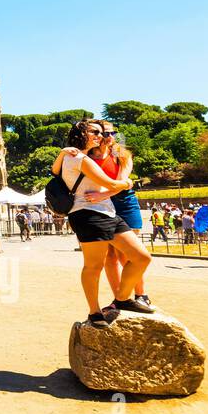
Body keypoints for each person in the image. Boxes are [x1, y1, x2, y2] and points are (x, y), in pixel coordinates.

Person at [53, 120, 155, 327]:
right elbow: (108, 183)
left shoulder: (75, 156)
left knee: (141, 257)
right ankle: (94, 311)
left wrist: (62, 153)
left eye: (102, 133)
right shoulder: (81, 159)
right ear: (80, 134)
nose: (100, 136)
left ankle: (123, 299)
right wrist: (127, 183)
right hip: (87, 214)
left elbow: (55, 171)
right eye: (95, 132)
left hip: (107, 212)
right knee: (94, 266)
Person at [90, 121, 150, 305]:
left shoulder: (122, 155)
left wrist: (103, 194)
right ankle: (119, 299)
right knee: (110, 256)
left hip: (124, 202)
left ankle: (141, 295)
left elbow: (122, 182)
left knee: (130, 255)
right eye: (105, 133)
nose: (110, 137)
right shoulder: (87, 156)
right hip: (102, 204)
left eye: (113, 133)